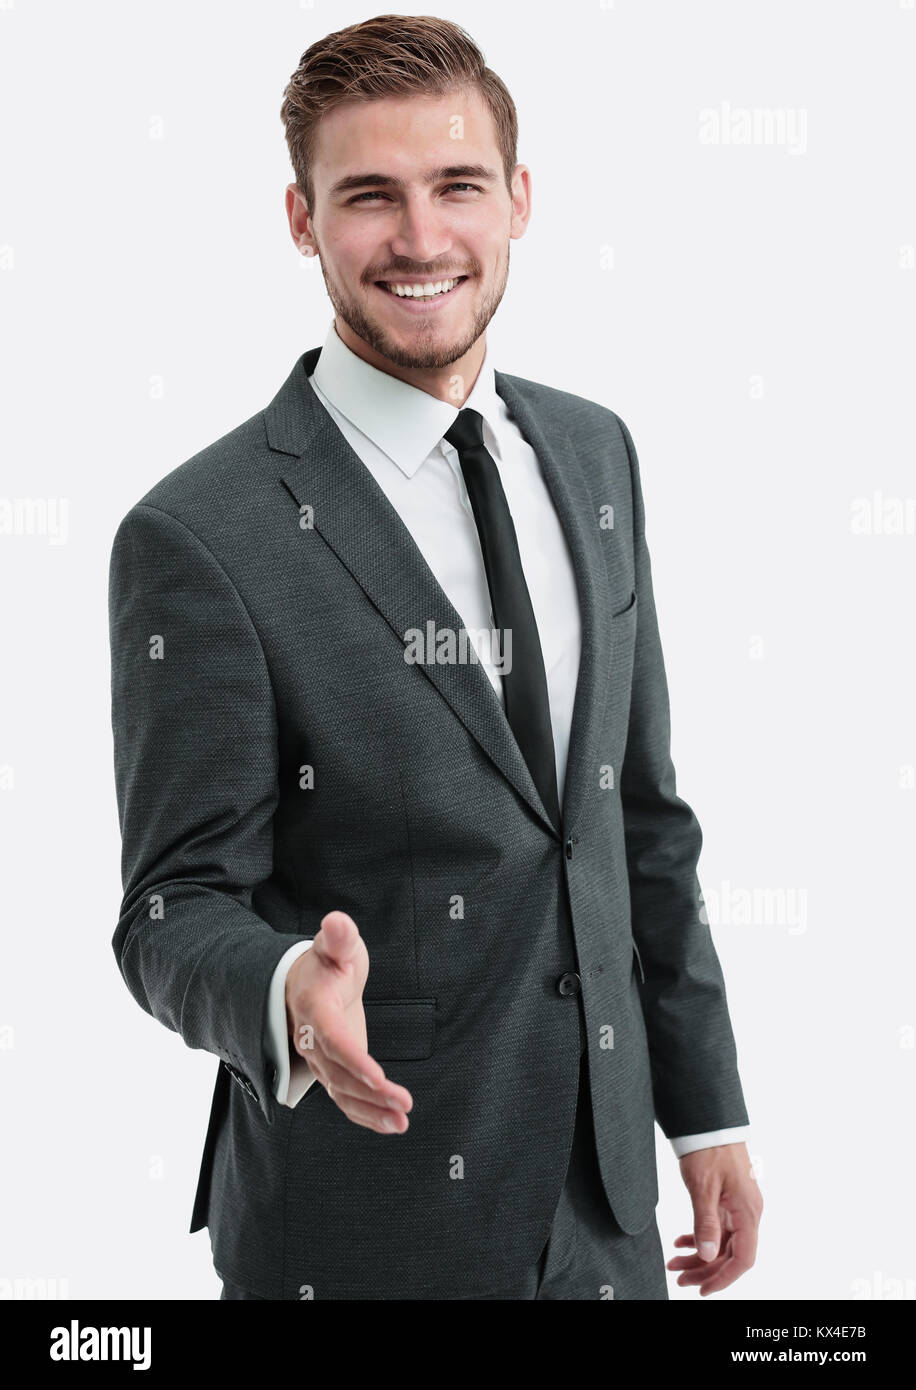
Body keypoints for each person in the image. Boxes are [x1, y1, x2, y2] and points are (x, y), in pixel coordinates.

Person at [108, 13, 762, 1301]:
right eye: (368, 197)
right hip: (365, 1225)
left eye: (458, 186)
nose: (420, 239)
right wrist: (292, 987)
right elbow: (171, 909)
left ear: (517, 199)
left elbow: (636, 822)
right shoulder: (199, 534)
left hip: (608, 1213)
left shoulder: (595, 454)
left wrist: (707, 1115)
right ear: (302, 220)